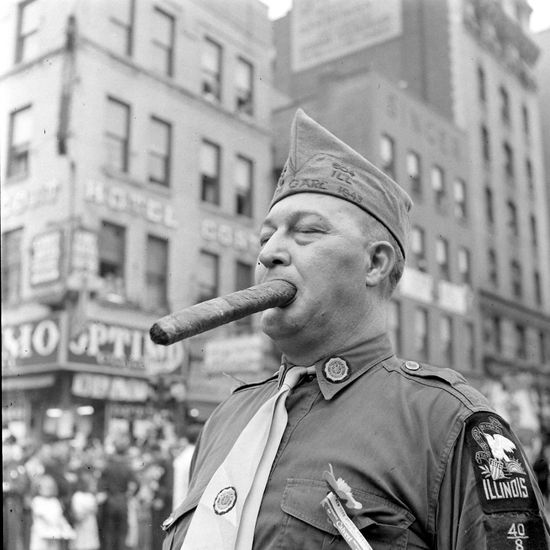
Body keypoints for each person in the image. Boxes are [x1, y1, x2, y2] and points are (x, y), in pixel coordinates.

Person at [161, 109, 550, 549]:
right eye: (265, 238)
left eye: (306, 231)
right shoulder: (226, 418)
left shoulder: (449, 424)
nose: (269, 253)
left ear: (375, 263)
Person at [29, 474, 75, 550]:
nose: (48, 489)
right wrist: (52, 524)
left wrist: (66, 527)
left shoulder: (55, 502)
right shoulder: (37, 501)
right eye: (45, 487)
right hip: (41, 535)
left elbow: (60, 517)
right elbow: (41, 516)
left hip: (54, 535)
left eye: (50, 487)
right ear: (39, 488)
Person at [69, 470, 99, 550]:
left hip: (90, 526)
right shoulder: (78, 496)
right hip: (82, 527)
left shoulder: (91, 496)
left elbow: (95, 510)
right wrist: (88, 510)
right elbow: (78, 515)